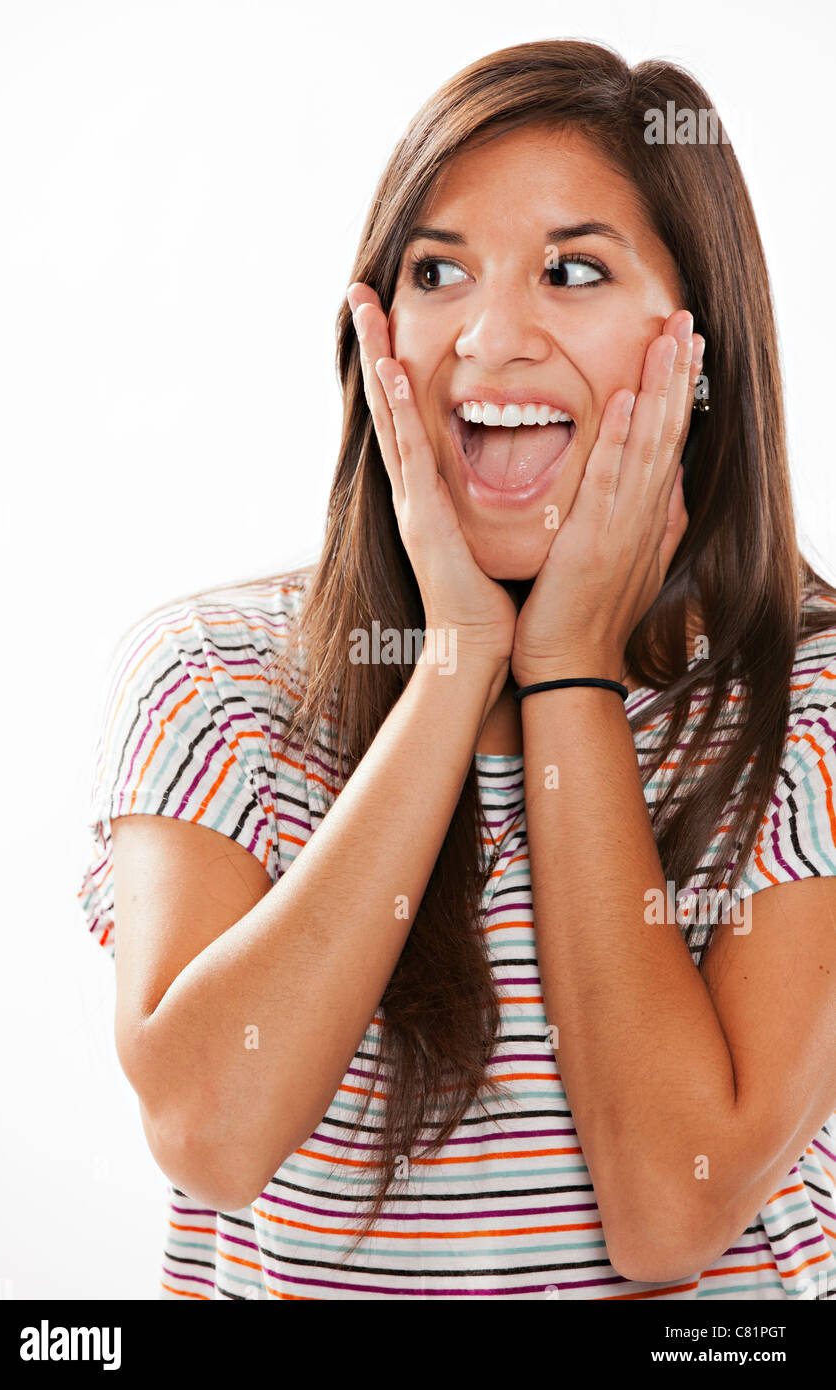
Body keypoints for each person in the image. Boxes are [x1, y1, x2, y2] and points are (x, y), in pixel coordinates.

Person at [78, 39, 836, 1300]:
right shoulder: (217, 683)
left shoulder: (806, 708)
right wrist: (456, 663)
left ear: (696, 347)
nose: (490, 340)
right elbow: (208, 1130)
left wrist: (570, 676)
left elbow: (671, 1208)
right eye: (436, 272)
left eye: (570, 270)